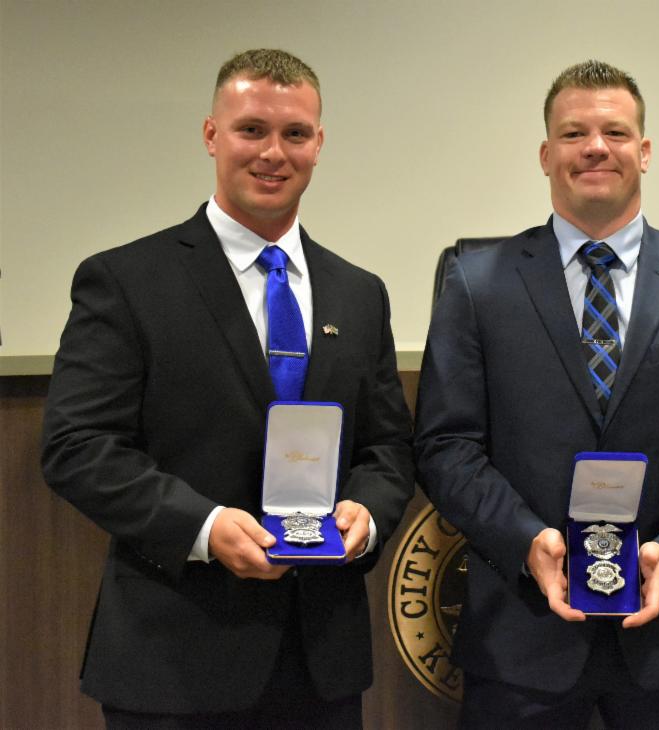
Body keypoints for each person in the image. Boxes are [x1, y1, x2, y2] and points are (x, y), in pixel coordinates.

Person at [41, 49, 414, 728]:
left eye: (295, 134)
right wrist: (206, 529)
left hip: (321, 663)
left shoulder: (360, 294)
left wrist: (367, 515)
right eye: (251, 130)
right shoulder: (126, 281)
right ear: (212, 134)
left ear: (319, 144)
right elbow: (77, 447)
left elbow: (388, 447)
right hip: (174, 660)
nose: (274, 152)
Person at [414, 60, 659, 728]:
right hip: (522, 638)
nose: (594, 147)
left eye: (615, 131)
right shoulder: (476, 284)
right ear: (546, 153)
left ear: (644, 151)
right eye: (574, 132)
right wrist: (528, 543)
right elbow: (446, 445)